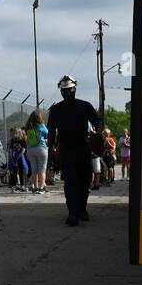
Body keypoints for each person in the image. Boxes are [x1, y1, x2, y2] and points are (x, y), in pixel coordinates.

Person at [46, 75, 101, 227]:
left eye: (69, 90)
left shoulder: (85, 106)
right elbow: (51, 131)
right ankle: (73, 213)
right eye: (64, 91)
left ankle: (82, 209)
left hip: (83, 148)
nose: (66, 93)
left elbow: (97, 122)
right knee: (70, 182)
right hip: (66, 149)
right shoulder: (56, 109)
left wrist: (97, 136)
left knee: (84, 181)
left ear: (75, 88)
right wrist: (51, 149)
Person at [24, 110, 49, 194]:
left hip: (30, 149)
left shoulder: (28, 126)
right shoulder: (41, 125)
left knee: (34, 170)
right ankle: (41, 188)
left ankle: (35, 188)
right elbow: (47, 132)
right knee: (42, 170)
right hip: (41, 148)